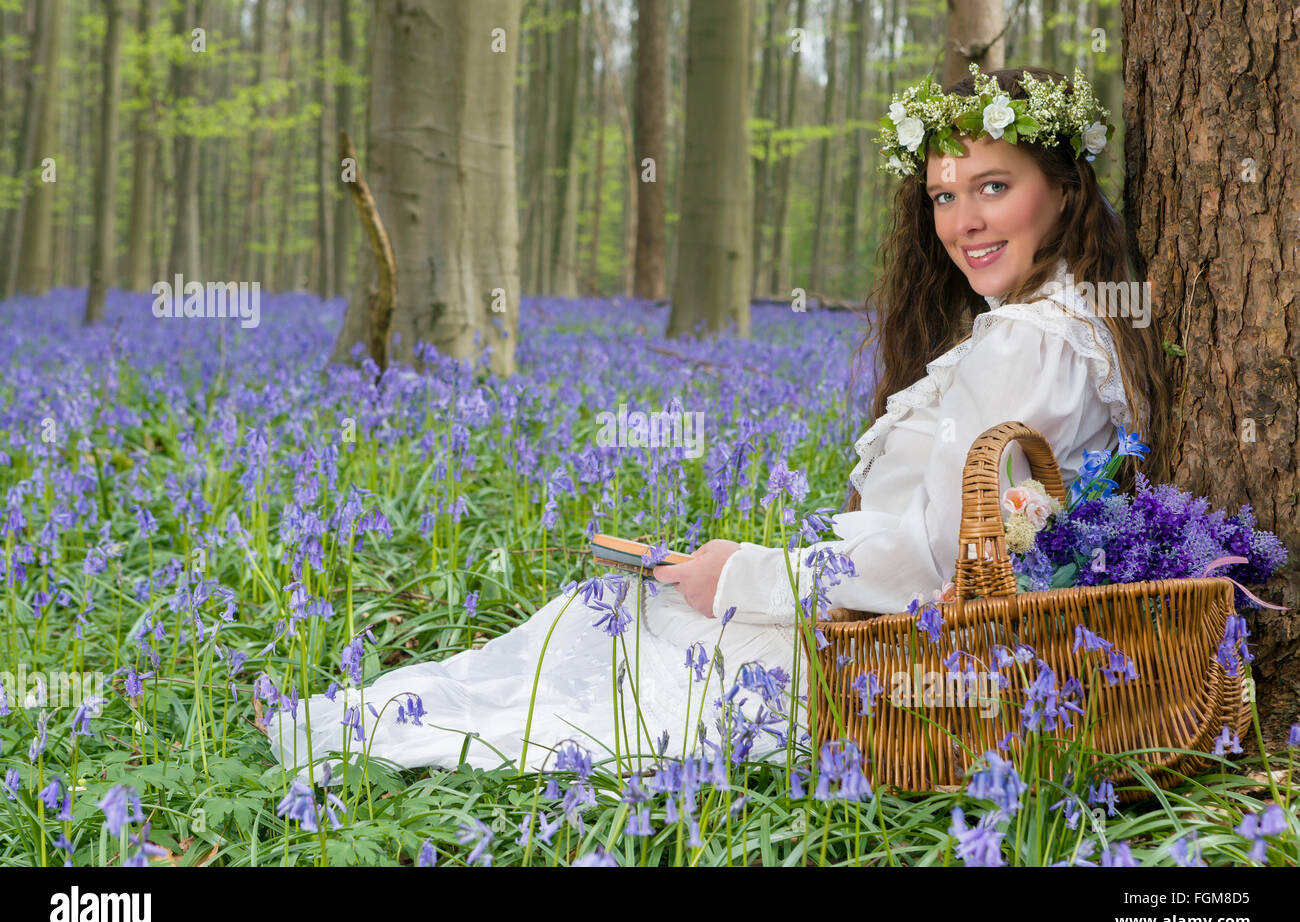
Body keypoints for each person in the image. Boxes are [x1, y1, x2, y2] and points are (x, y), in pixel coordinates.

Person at [265, 64, 1174, 787]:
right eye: (942, 195)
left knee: (615, 633)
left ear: (1062, 187)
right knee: (620, 613)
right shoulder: (1055, 327)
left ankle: (361, 735)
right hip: (904, 640)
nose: (962, 222)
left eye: (992, 188)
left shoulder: (1029, 344)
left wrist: (739, 574)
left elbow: (937, 565)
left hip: (906, 670)